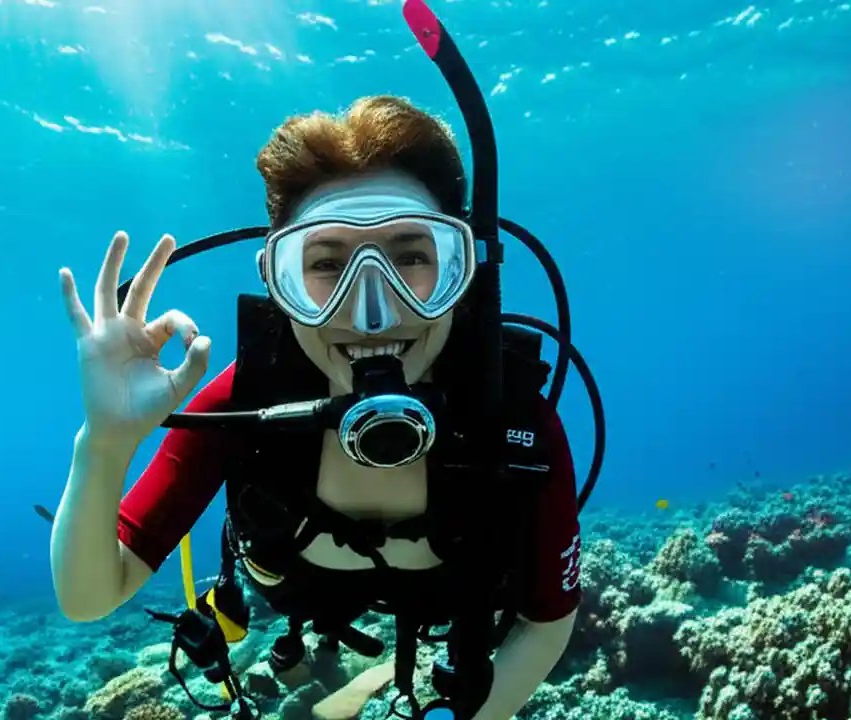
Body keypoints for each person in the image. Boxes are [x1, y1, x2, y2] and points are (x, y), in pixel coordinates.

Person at [50, 5, 605, 719]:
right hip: (296, 597)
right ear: (276, 283)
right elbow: (90, 596)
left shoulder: (514, 423)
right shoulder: (241, 405)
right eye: (325, 265)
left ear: (462, 270)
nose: (372, 312)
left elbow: (546, 621)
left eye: (411, 256)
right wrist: (103, 444)